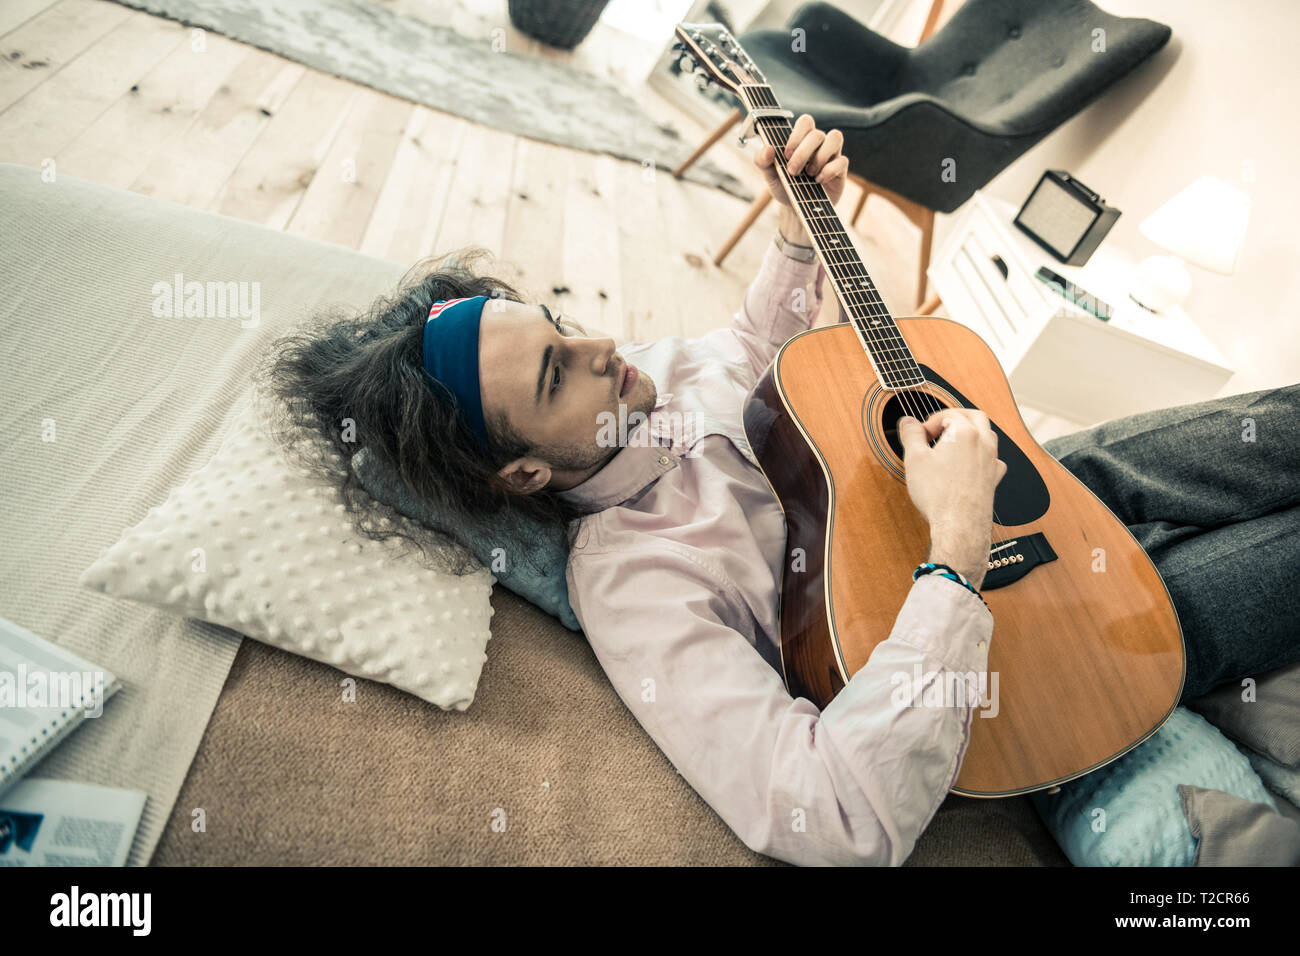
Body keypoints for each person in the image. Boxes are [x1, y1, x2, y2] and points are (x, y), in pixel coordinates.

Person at [260, 115, 1300, 866]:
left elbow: (754, 350)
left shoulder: (648, 377)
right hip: (1037, 634)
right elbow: (825, 807)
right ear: (525, 471)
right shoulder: (637, 585)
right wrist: (954, 551)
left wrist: (800, 228)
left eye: (557, 319)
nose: (600, 344)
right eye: (554, 373)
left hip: (1039, 483)